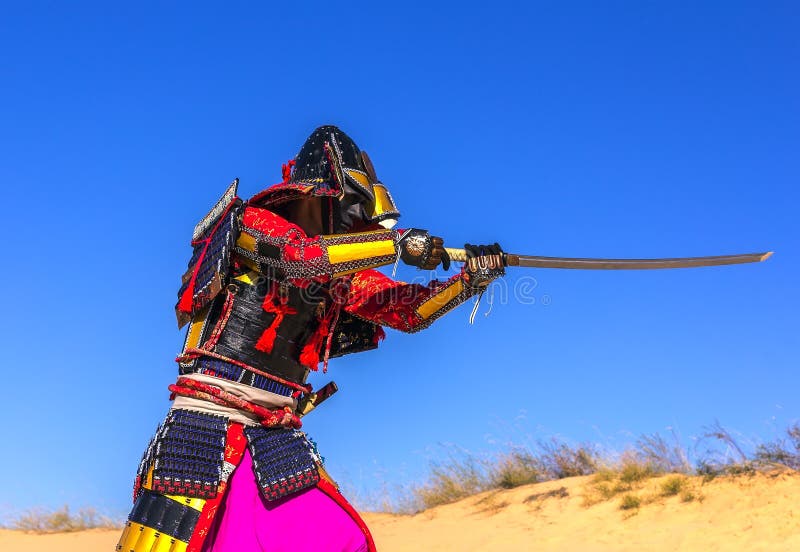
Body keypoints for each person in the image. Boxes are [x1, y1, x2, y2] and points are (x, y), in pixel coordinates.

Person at [116, 125, 505, 552]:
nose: (355, 223)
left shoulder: (338, 274)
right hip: (207, 423)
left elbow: (407, 312)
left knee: (339, 540)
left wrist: (470, 279)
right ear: (317, 195)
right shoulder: (251, 224)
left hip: (275, 434)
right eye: (351, 208)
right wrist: (396, 246)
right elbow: (297, 259)